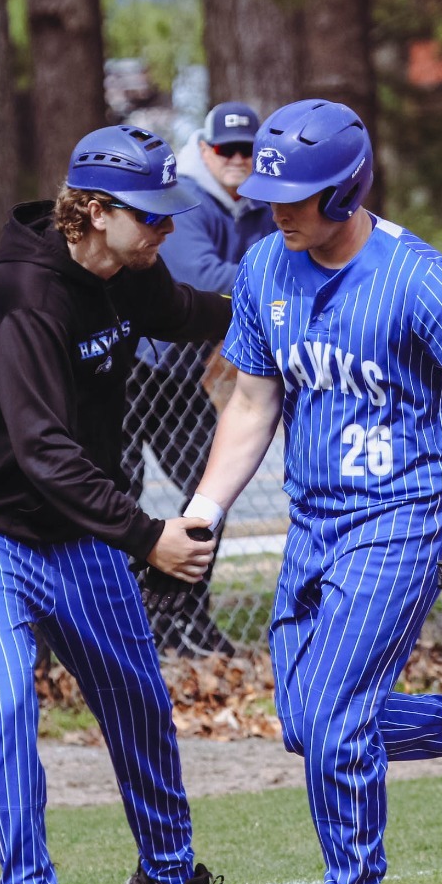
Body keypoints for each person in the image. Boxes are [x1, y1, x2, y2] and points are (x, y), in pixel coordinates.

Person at [185, 99, 442, 884]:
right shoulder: (265, 266)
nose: (276, 212)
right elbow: (253, 402)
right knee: (307, 724)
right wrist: (203, 510)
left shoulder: (417, 278)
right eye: (269, 196)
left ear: (344, 192)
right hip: (315, 520)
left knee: (338, 713)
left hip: (404, 516)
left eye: (296, 197)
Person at [0, 124, 261, 884]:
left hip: (75, 527)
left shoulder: (129, 273)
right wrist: (148, 536)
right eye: (151, 216)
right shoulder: (22, 297)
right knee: (4, 700)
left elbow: (190, 313)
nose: (166, 229)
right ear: (96, 211)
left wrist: (278, 308)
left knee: (138, 698)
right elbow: (44, 451)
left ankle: (169, 878)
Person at [123, 102, 278, 657]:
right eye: (225, 148)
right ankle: (126, 627)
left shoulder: (259, 207)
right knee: (120, 500)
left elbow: (283, 265)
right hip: (130, 371)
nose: (237, 158)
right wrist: (282, 283)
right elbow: (201, 276)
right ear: (205, 149)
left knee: (210, 491)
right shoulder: (186, 198)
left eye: (247, 149)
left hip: (181, 378)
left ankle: (183, 619)